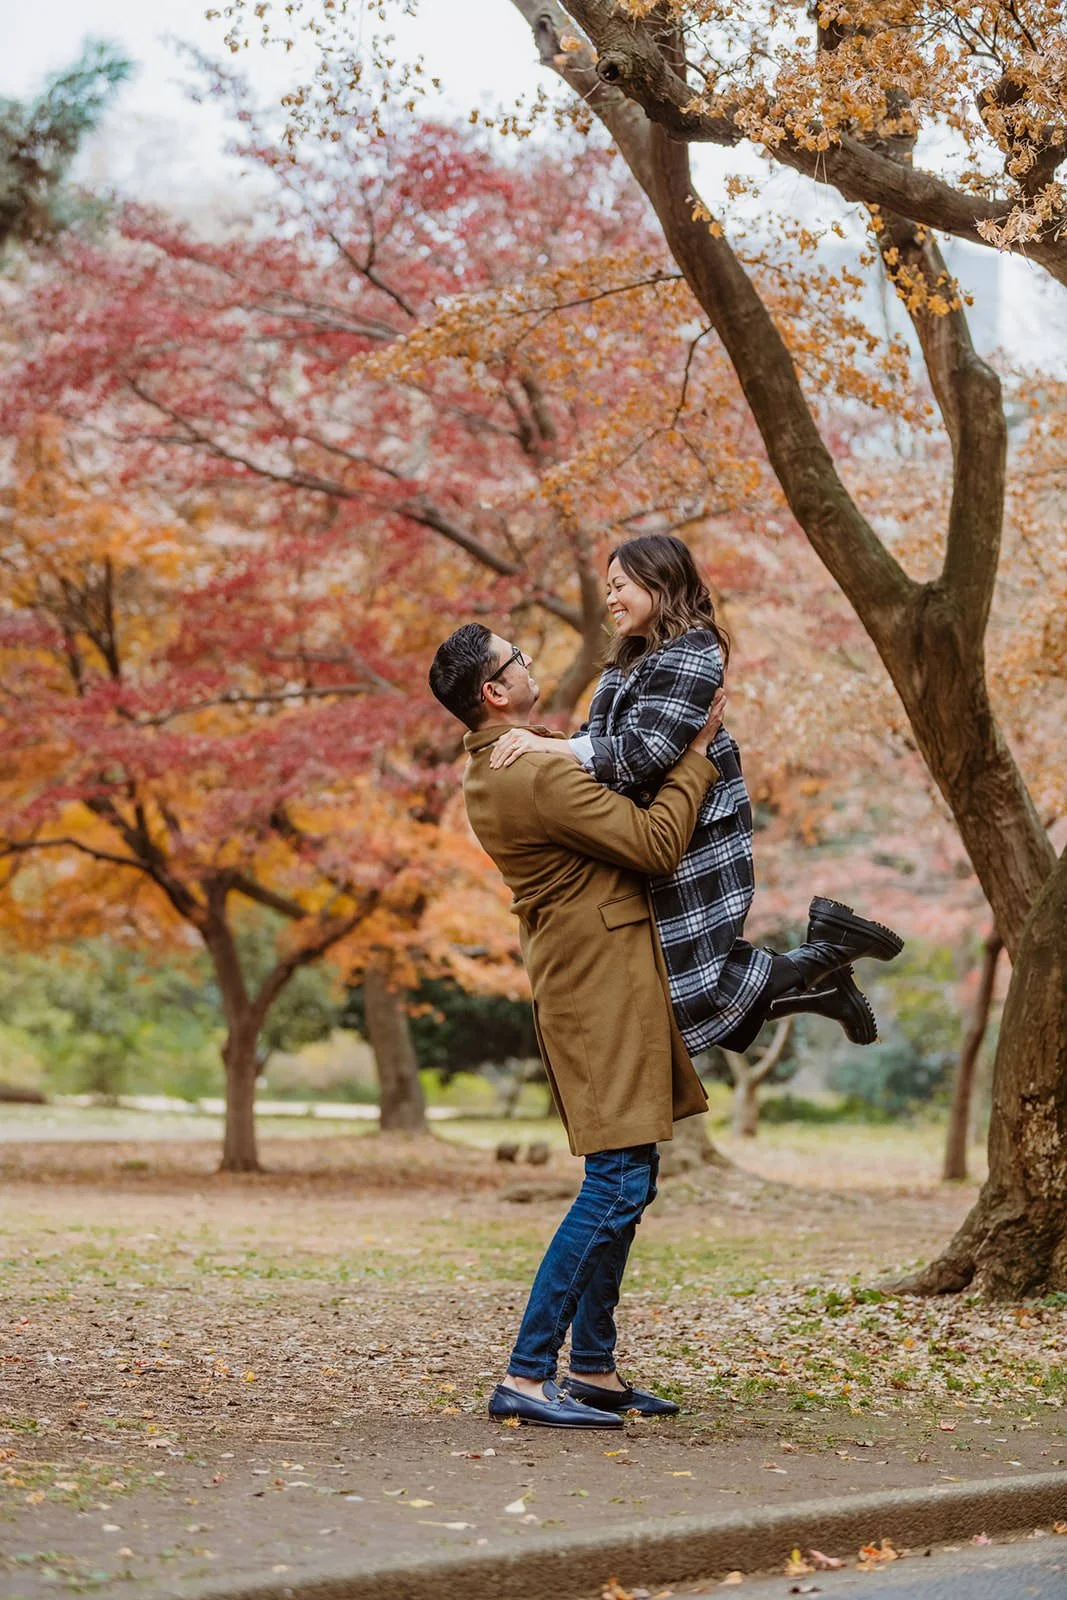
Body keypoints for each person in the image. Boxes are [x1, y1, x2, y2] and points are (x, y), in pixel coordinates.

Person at [428, 623, 898, 1429]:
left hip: (607, 977)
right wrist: (697, 750)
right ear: (492, 692)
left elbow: (599, 759)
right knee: (614, 1180)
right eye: (516, 659)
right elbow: (649, 844)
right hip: (595, 988)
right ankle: (526, 1373)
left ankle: (595, 1368)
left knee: (632, 1173)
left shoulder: (530, 756)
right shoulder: (526, 774)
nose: (529, 660)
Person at [489, 533, 904, 1054]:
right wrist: (549, 747)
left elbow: (643, 753)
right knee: (671, 993)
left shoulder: (692, 649)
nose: (611, 599)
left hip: (695, 838)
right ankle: (826, 983)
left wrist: (548, 750)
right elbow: (599, 744)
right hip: (660, 829)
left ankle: (831, 949)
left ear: (658, 582)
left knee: (682, 993)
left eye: (620, 586)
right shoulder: (627, 665)